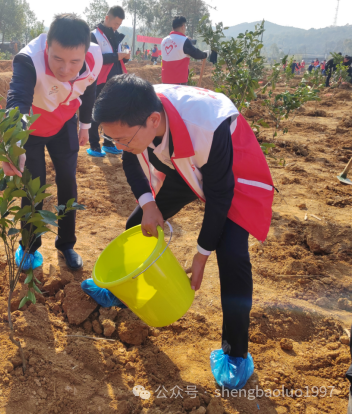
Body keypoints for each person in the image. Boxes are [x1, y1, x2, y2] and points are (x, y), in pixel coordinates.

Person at [91, 73, 274, 390]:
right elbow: (132, 160)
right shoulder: (137, 121)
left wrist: (202, 254)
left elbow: (219, 196)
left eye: (123, 139)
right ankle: (124, 292)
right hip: (180, 162)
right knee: (137, 225)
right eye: (111, 140)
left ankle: (236, 354)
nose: (118, 147)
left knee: (231, 255)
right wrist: (148, 204)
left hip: (229, 170)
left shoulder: (205, 127)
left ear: (153, 120)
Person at [5, 13, 103, 270]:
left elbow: (89, 85)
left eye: (75, 62)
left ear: (84, 54)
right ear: (47, 46)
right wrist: (15, 144)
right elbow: (17, 101)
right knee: (33, 188)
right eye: (57, 58)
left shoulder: (94, 57)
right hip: (32, 129)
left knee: (68, 182)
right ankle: (28, 246)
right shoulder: (28, 61)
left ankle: (67, 244)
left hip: (64, 124)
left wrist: (85, 125)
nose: (65, 69)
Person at [88, 5, 129, 158]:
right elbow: (95, 59)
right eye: (115, 23)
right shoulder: (93, 36)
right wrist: (116, 56)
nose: (117, 27)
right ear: (107, 18)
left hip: (116, 80)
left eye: (119, 24)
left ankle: (109, 143)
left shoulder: (117, 36)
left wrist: (125, 56)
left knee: (113, 113)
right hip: (99, 81)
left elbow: (120, 58)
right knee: (96, 113)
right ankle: (94, 145)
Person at [161, 16, 209, 84]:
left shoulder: (164, 40)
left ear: (173, 27)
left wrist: (185, 39)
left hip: (165, 80)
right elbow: (196, 54)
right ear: (183, 26)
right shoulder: (184, 41)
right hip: (179, 81)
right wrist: (205, 54)